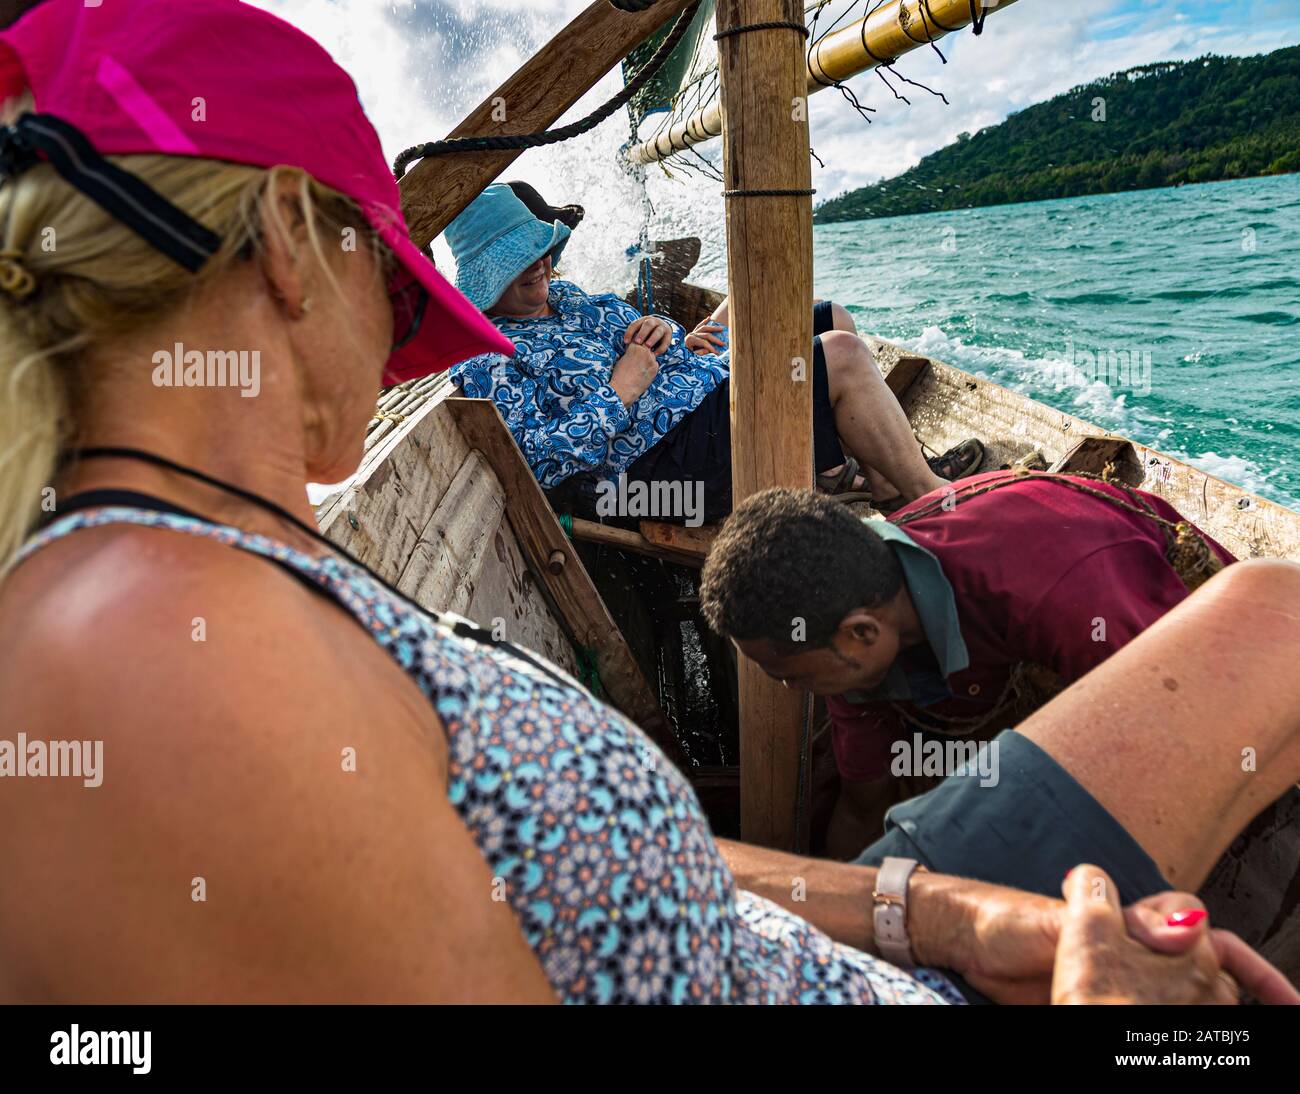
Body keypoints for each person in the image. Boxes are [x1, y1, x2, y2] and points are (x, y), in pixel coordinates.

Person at [0, 0, 1292, 1007]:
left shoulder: (201, 573)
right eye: (393, 295)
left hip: (897, 946)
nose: (397, 347)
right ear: (292, 238)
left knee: (1268, 615)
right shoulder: (147, 654)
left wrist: (938, 912)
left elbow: (592, 870)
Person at [698, 483, 1240, 859]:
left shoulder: (1063, 596)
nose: (793, 691)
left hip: (1176, 664)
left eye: (796, 677)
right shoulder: (851, 631)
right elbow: (865, 802)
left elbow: (1179, 755)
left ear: (862, 633)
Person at [445, 184, 984, 524]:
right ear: (484, 280)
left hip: (700, 393)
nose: (537, 266)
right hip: (662, 470)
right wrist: (620, 390)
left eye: (537, 250)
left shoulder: (564, 298)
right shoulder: (485, 356)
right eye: (515, 261)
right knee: (838, 354)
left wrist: (664, 331)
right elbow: (537, 465)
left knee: (824, 317)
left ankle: (881, 474)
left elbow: (638, 343)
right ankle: (929, 502)